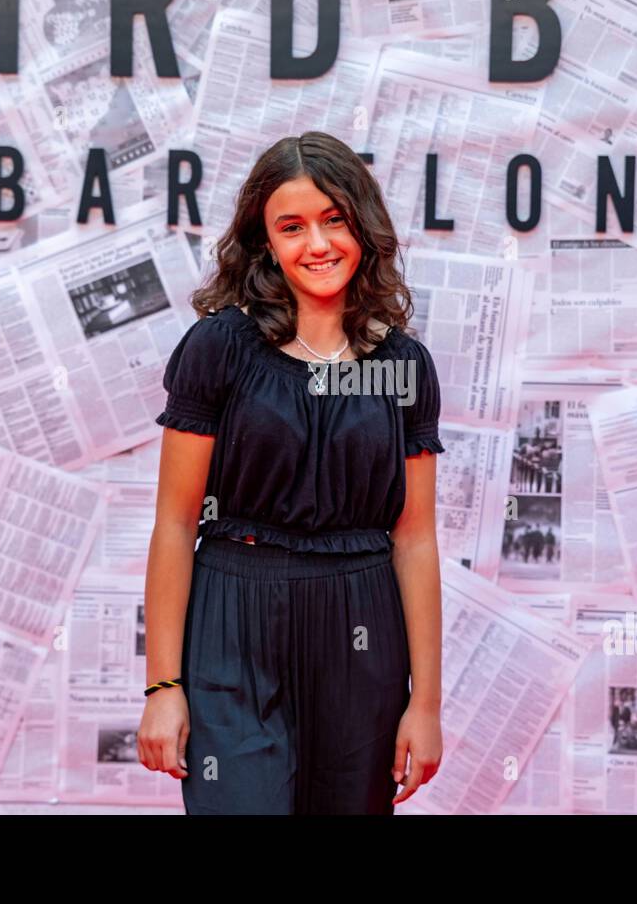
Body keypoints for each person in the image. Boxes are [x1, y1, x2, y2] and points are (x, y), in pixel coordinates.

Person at [137, 132, 444, 814]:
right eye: (292, 226)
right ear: (265, 242)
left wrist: (426, 703)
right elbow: (176, 521)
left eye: (335, 220)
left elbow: (415, 539)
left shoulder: (405, 367)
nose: (318, 243)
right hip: (233, 622)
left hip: (361, 633)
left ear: (363, 226)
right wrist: (163, 687)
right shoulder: (220, 347)